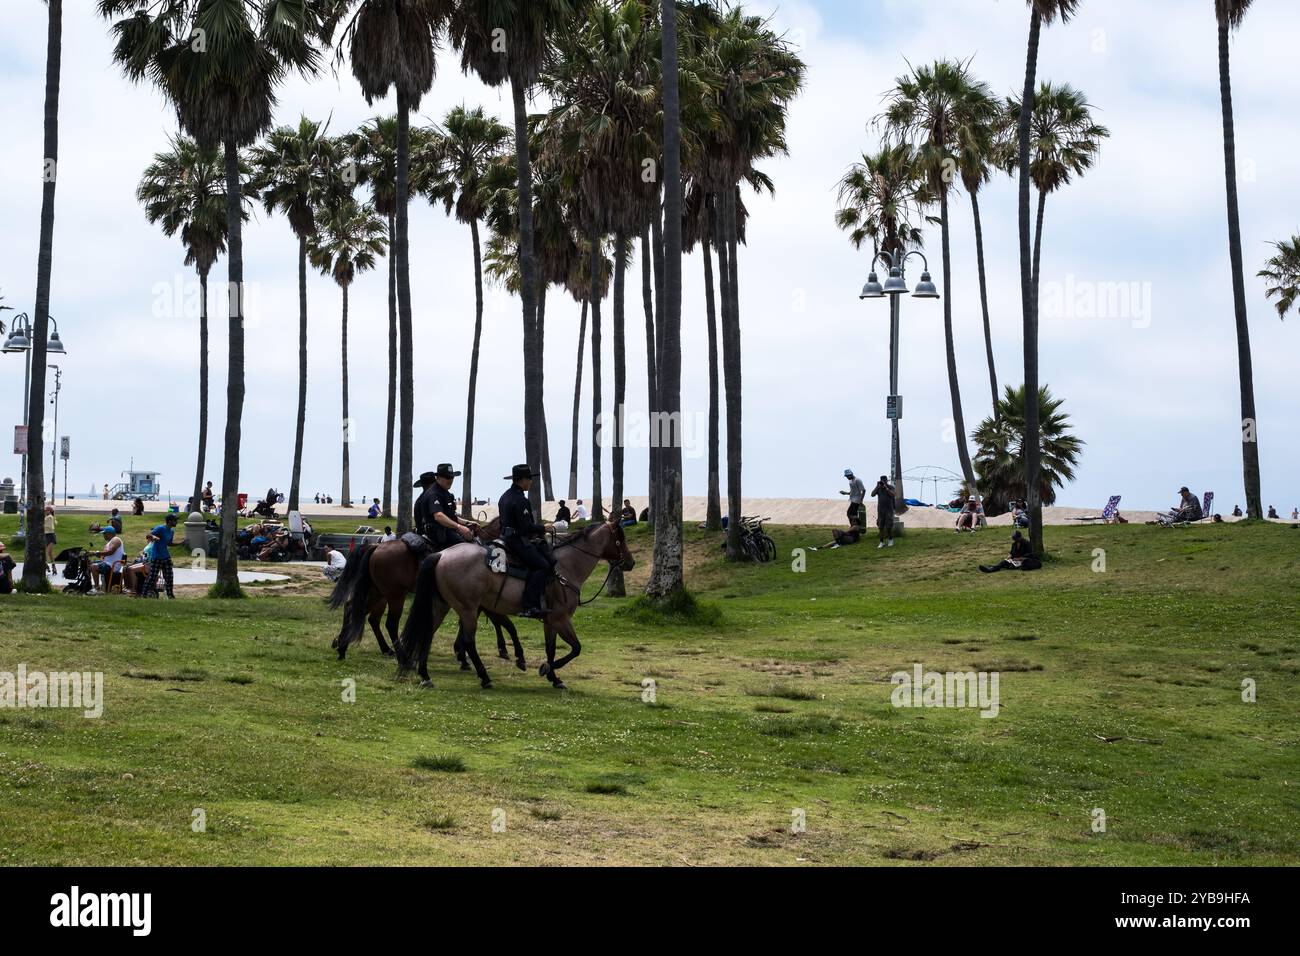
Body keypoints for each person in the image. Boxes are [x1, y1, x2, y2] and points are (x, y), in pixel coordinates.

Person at [498, 464, 556, 618]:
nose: (531, 482)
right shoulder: (520, 500)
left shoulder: (504, 496)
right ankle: (530, 606)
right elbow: (526, 527)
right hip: (516, 540)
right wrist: (544, 528)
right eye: (529, 479)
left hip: (504, 537)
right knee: (542, 566)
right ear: (522, 480)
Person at [413, 464, 478, 551]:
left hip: (447, 530)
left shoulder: (445, 493)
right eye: (447, 477)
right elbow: (438, 516)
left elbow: (451, 516)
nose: (450, 480)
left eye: (452, 477)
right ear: (438, 478)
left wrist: (467, 523)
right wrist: (459, 527)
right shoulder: (433, 494)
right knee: (467, 549)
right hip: (439, 533)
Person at [144, 513, 178, 599]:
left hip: (166, 557)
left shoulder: (171, 531)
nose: (176, 521)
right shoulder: (160, 528)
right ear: (169, 521)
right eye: (175, 520)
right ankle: (144, 594)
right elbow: (148, 535)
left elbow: (169, 543)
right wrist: (154, 537)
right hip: (157, 557)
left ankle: (170, 596)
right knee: (152, 577)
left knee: (169, 577)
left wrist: (181, 543)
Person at [90, 526, 126, 593]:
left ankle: (97, 589)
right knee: (89, 563)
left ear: (110, 533)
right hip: (108, 563)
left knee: (94, 566)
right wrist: (94, 554)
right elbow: (104, 556)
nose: (103, 535)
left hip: (112, 565)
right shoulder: (109, 543)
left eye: (104, 533)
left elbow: (110, 552)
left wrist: (96, 553)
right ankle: (88, 585)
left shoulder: (116, 539)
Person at [871, 475, 895, 549]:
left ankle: (890, 540)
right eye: (882, 481)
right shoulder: (879, 488)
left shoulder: (891, 487)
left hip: (889, 510)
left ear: (887, 480)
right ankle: (881, 542)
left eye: (884, 480)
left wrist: (886, 488)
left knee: (888, 526)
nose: (883, 482)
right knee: (880, 526)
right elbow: (872, 494)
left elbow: (893, 495)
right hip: (880, 510)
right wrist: (877, 486)